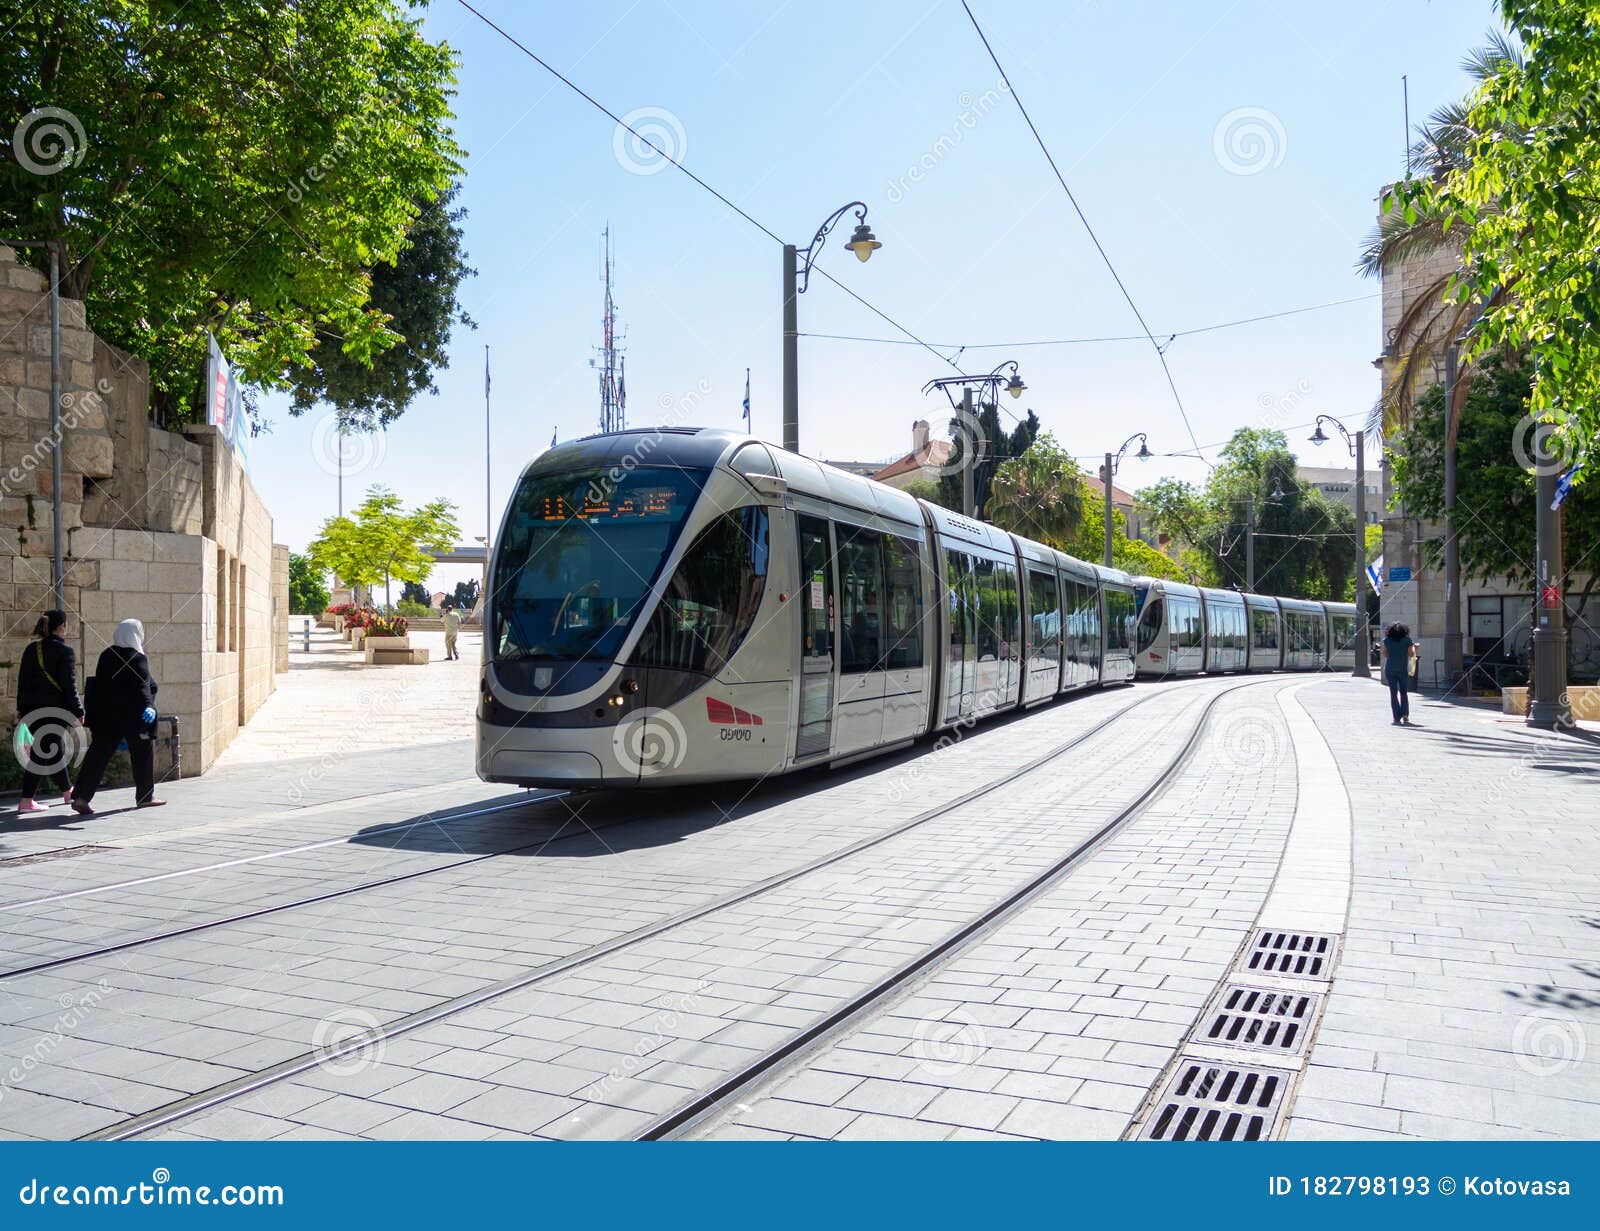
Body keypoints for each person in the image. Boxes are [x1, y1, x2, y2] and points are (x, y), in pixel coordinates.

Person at [72, 619, 165, 814]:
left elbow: (103, 686)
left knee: (97, 756)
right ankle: (145, 797)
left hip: (107, 718)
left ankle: (81, 797)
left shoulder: (106, 655)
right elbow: (142, 688)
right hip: (133, 718)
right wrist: (149, 706)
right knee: (143, 754)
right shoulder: (138, 657)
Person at [14, 609, 84, 813]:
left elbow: (22, 682)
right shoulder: (65, 651)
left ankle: (67, 791)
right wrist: (78, 710)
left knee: (53, 746)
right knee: (41, 751)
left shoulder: (31, 649)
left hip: (32, 709)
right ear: (61, 626)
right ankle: (26, 800)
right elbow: (69, 685)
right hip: (55, 710)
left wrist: (21, 708)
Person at [1382, 620, 1418, 726]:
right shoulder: (1407, 640)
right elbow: (1411, 654)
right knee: (1403, 692)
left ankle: (1396, 717)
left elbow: (1385, 654)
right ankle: (1405, 714)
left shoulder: (1386, 640)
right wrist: (1415, 648)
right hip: (1402, 669)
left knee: (1393, 693)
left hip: (1390, 669)